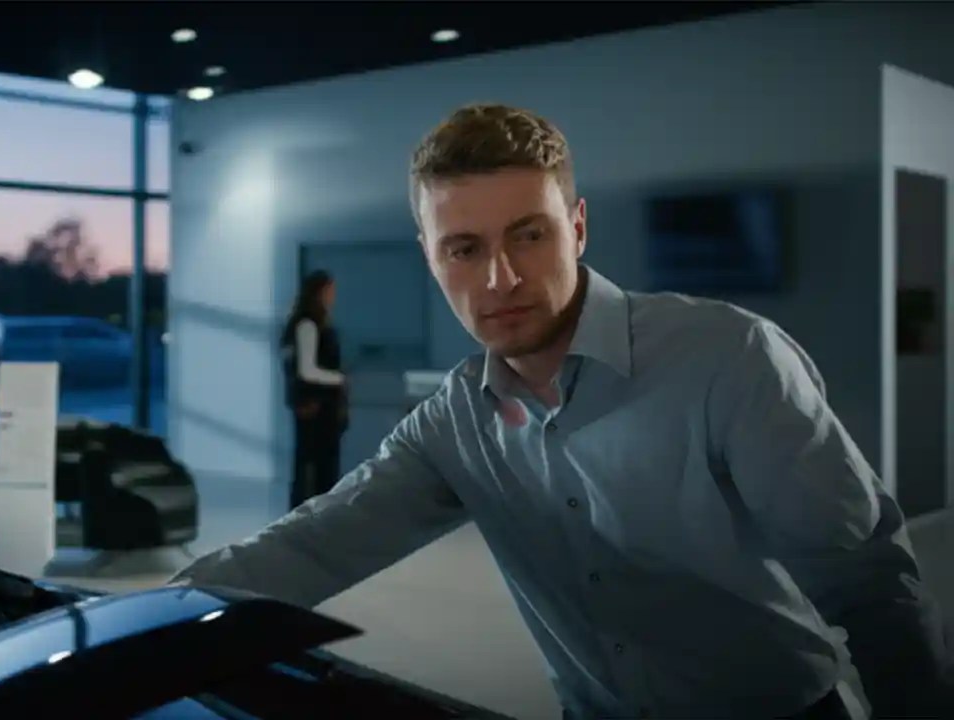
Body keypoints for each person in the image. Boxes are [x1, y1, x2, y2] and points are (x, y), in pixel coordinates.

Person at [170, 104, 950, 719]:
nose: (500, 278)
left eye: (529, 236)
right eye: (464, 249)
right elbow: (314, 544)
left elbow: (873, 587)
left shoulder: (728, 357)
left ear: (576, 227)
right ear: (432, 257)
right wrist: (136, 624)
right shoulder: (453, 422)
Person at [280, 270, 348, 510]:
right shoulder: (307, 325)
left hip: (320, 407)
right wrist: (338, 378)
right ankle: (309, 512)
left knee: (319, 463)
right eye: (329, 291)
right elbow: (306, 369)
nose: (333, 296)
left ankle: (317, 512)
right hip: (315, 407)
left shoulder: (315, 324)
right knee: (314, 464)